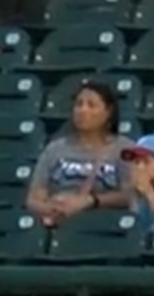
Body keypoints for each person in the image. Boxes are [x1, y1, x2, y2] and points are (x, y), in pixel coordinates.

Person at [26, 80, 133, 227]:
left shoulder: (124, 148)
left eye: (91, 105)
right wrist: (54, 209)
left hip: (104, 225)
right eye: (79, 104)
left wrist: (91, 201)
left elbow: (131, 195)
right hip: (61, 225)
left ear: (108, 112)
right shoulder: (55, 149)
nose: (83, 110)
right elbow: (34, 198)